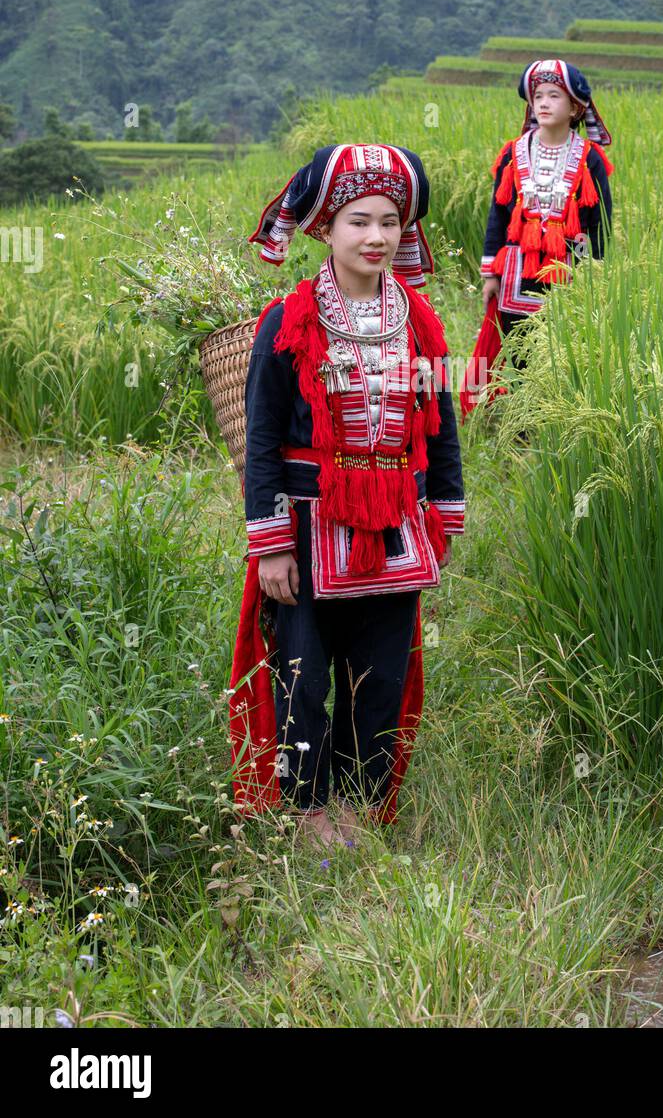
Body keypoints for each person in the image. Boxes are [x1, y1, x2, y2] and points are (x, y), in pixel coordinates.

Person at [229, 144, 465, 849]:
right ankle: (309, 812)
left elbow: (440, 425)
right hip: (306, 526)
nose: (376, 238)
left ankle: (362, 807)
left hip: (395, 523)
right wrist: (269, 545)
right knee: (302, 677)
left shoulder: (418, 319)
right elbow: (263, 435)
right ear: (327, 229)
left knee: (381, 677)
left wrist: (445, 513)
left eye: (390, 222)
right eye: (360, 221)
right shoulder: (291, 317)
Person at [460, 60, 614, 418]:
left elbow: (599, 222)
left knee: (559, 348)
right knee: (518, 349)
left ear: (576, 107)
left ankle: (555, 417)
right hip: (516, 271)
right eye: (537, 96)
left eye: (554, 96)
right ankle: (523, 422)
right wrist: (489, 274)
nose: (543, 103)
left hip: (567, 272)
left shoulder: (590, 159)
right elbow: (497, 214)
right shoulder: (513, 153)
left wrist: (594, 273)